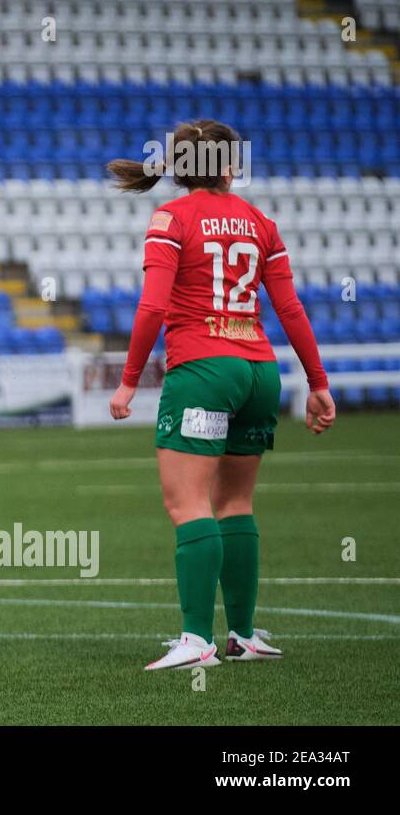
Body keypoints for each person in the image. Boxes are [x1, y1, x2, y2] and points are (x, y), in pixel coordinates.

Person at [106, 120, 336, 670]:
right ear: (229, 166)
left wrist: (130, 379)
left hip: (205, 371)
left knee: (187, 504)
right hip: (260, 371)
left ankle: (195, 640)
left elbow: (154, 308)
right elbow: (291, 310)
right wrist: (319, 383)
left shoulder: (171, 218)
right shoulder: (261, 222)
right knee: (236, 503)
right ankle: (243, 634)